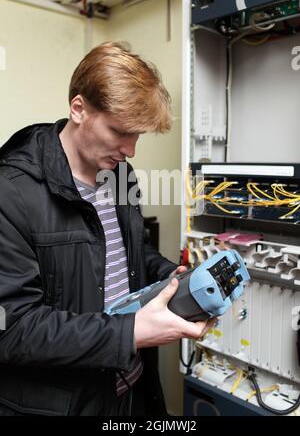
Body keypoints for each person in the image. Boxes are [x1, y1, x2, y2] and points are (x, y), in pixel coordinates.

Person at [0, 42, 215, 416]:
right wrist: (128, 332)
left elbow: (130, 252)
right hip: (63, 405)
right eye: (120, 131)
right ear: (79, 109)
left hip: (130, 390)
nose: (131, 150)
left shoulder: (118, 175)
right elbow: (13, 327)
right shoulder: (11, 191)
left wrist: (173, 278)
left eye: (138, 136)